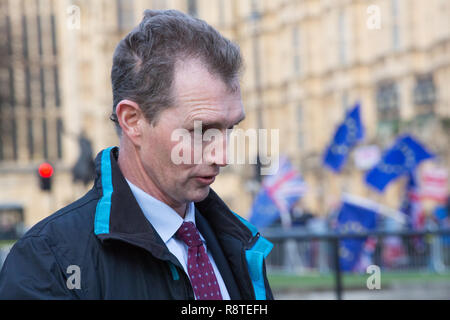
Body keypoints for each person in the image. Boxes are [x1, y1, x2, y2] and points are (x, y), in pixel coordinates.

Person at [0, 10, 273, 300]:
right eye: (201, 130)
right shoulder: (47, 262)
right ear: (132, 120)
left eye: (230, 128)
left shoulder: (239, 243)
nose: (224, 155)